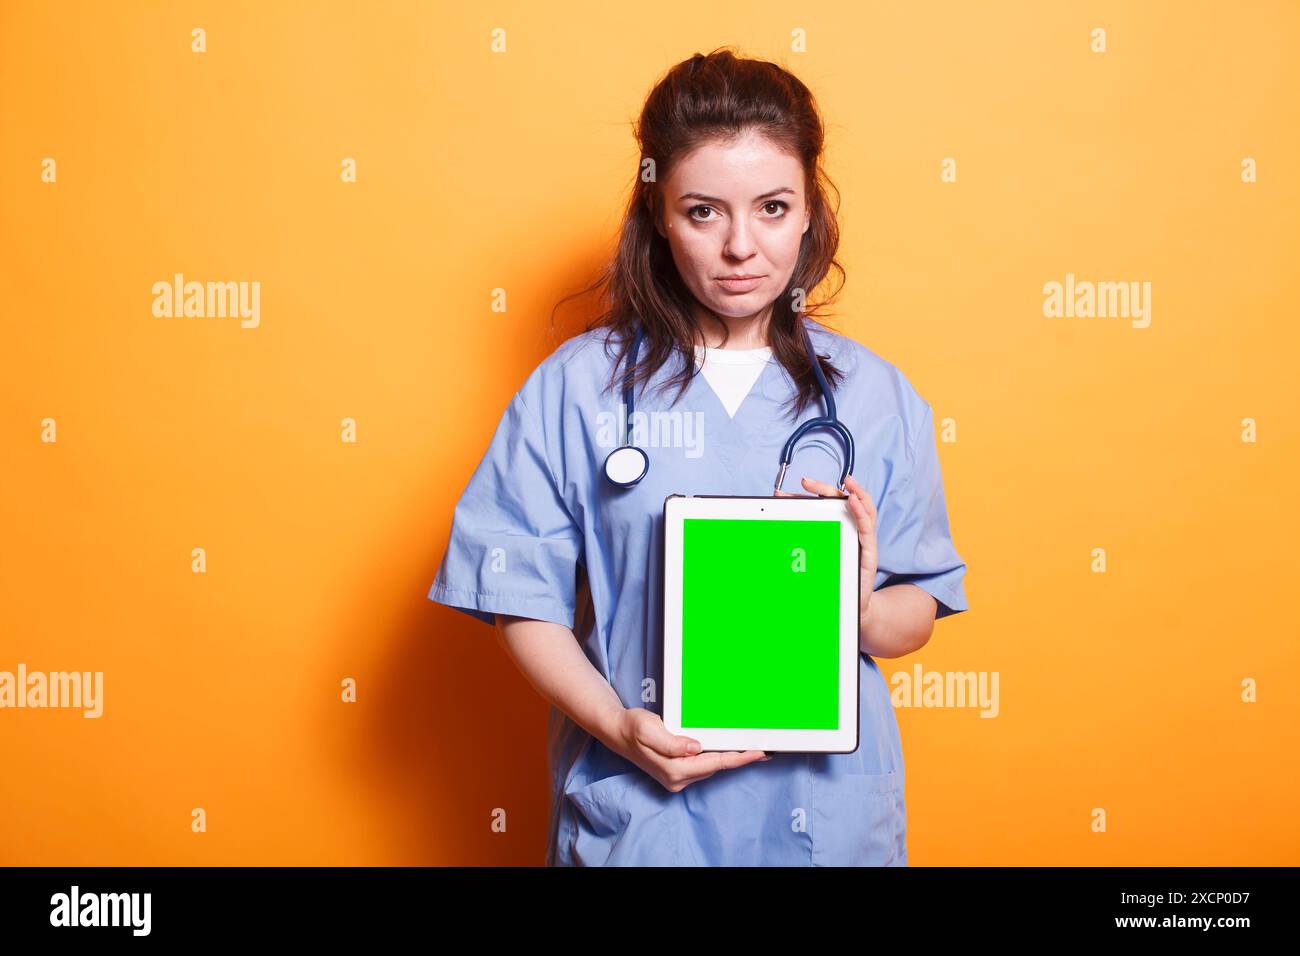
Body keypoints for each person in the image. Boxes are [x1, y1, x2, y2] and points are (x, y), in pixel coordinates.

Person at [428, 48, 968, 866]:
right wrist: (615, 726)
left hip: (827, 811)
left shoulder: (875, 397)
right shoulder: (577, 389)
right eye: (704, 211)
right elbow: (517, 595)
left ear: (812, 215)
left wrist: (854, 609)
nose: (741, 247)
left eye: (774, 208)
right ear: (658, 218)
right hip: (643, 813)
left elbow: (915, 613)